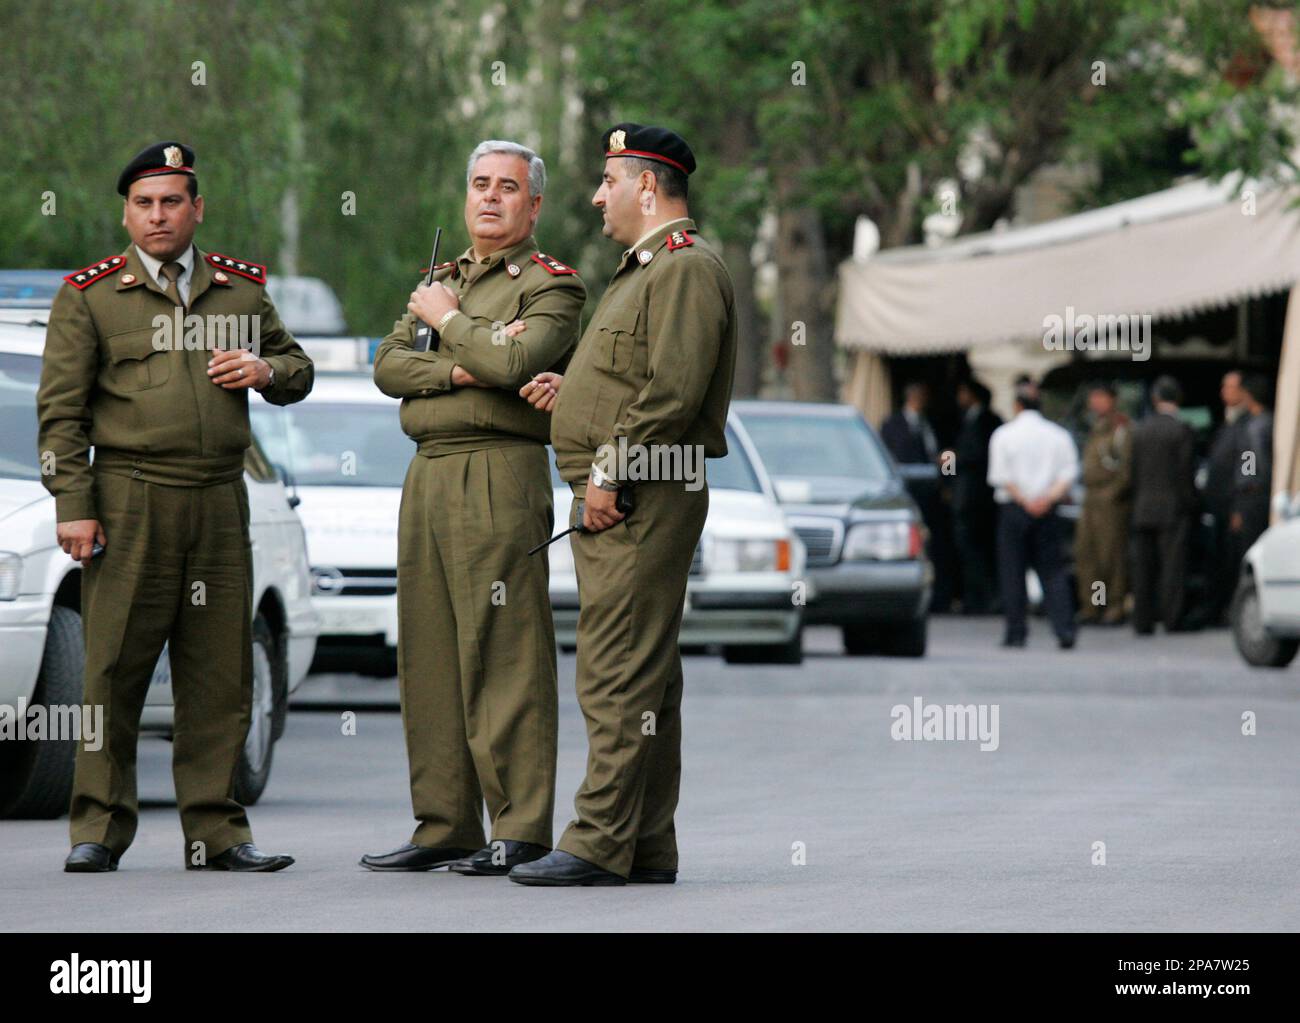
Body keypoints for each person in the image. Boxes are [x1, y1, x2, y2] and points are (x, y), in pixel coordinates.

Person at [37, 141, 313, 873]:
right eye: (143, 203)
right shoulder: (91, 295)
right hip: (131, 497)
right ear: (126, 212)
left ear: (197, 207)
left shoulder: (241, 291)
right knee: (112, 671)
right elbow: (60, 416)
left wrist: (265, 367)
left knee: (220, 674)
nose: (157, 216)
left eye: (171, 201)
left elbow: (298, 371)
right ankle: (98, 827)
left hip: (220, 499)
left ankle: (216, 832)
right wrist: (75, 503)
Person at [509, 123, 736, 886]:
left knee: (616, 671)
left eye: (609, 181)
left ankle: (597, 841)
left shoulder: (683, 268)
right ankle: (643, 842)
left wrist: (607, 472)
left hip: (641, 494)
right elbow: (631, 377)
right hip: (628, 490)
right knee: (648, 676)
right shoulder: (643, 270)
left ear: (647, 186)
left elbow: (671, 393)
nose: (598, 195)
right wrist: (571, 393)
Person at [365, 140, 586, 876]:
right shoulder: (439, 277)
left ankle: (519, 826)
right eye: (480, 184)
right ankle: (444, 823)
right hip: (427, 472)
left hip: (499, 470)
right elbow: (388, 367)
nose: (490, 198)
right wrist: (467, 359)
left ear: (534, 205)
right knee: (428, 652)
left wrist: (454, 325)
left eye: (508, 187)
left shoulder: (551, 285)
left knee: (504, 649)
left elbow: (519, 365)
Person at [986, 382, 1078, 649]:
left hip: (1015, 509)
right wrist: (1046, 499)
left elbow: (1001, 476)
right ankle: (1064, 629)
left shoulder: (1004, 435)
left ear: (1016, 405)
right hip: (1047, 509)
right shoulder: (1058, 435)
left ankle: (1016, 631)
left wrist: (1025, 500)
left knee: (1012, 571)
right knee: (1053, 571)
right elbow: (1068, 473)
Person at [1129, 376, 1196, 634]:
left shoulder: (1140, 429)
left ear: (1155, 399)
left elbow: (1132, 472)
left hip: (1143, 507)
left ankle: (1142, 620)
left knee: (1142, 567)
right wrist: (1191, 502)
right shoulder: (1181, 430)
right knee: (1172, 567)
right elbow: (1184, 473)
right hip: (1172, 508)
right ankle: (1172, 618)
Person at [882, 382, 955, 611]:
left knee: (938, 545)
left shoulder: (930, 424)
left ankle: (940, 599)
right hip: (908, 491)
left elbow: (941, 453)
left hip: (931, 493)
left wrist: (946, 477)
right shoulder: (892, 424)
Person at [1074, 383, 1131, 625]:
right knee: (1088, 554)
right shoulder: (1094, 428)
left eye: (1100, 396)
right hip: (1090, 497)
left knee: (1111, 555)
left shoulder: (1121, 429)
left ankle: (1114, 605)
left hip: (1110, 500)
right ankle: (1092, 605)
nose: (1095, 402)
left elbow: (1126, 469)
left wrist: (1113, 493)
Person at [949, 379, 1001, 614]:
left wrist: (953, 460)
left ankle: (981, 600)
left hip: (977, 499)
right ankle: (976, 598)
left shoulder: (986, 421)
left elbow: (977, 456)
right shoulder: (966, 419)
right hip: (971, 497)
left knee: (976, 550)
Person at [1203, 370, 1248, 623]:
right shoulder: (1228, 424)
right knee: (1218, 560)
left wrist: (1242, 505)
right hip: (1218, 507)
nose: (1224, 392)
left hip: (1235, 506)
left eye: (1229, 387)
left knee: (1233, 560)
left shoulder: (1249, 426)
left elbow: (1248, 466)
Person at [1230, 372, 1274, 569]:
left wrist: (1245, 495)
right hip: (1264, 496)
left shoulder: (1254, 427)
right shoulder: (1271, 421)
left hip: (1253, 498)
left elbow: (1251, 464)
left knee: (1249, 553)